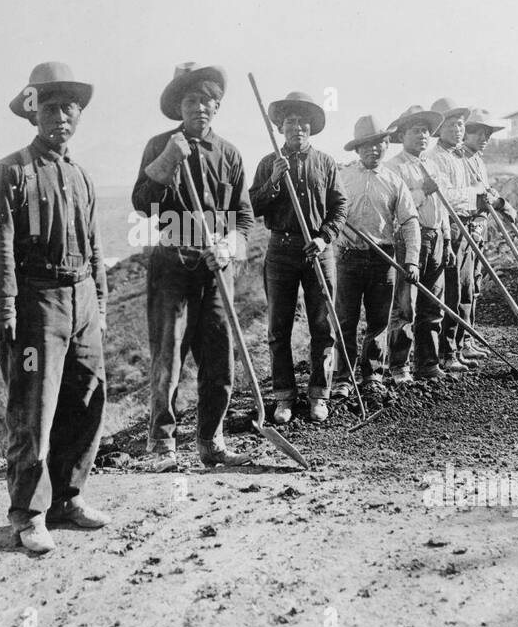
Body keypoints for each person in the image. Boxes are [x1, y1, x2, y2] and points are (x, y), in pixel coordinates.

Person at [0, 61, 110, 555]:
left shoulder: (81, 176)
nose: (60, 117)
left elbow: (95, 246)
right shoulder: (12, 171)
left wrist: (98, 300)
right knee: (34, 411)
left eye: (69, 109)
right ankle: (30, 514)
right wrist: (5, 309)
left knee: (86, 403)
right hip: (37, 305)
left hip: (81, 305)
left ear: (78, 117)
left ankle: (67, 499)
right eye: (51, 108)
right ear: (34, 116)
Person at [132, 63, 255, 471]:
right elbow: (143, 204)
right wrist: (169, 160)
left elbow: (244, 215)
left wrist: (229, 246)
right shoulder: (159, 145)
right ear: (179, 107)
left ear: (217, 106)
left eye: (207, 100)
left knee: (220, 358)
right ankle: (162, 445)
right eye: (191, 100)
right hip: (173, 264)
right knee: (168, 357)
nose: (199, 107)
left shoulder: (230, 153)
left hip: (217, 267)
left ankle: (211, 442)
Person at [249, 90, 348, 423]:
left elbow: (339, 207)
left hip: (318, 251)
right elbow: (254, 207)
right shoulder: (268, 163)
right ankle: (283, 397)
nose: (297, 128)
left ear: (311, 128)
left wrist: (324, 238)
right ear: (281, 127)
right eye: (291, 122)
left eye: (303, 123)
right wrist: (274, 181)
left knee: (324, 325)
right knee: (279, 328)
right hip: (281, 251)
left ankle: (320, 394)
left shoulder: (326, 163)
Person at [334, 115, 421, 394]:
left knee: (379, 321)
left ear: (386, 145)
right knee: (345, 321)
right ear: (357, 149)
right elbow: (329, 215)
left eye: (380, 144)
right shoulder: (342, 178)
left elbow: (409, 221)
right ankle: (343, 378)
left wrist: (412, 260)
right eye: (367, 145)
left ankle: (372, 375)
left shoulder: (395, 181)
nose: (374, 149)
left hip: (383, 259)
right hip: (348, 257)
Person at [383, 104, 447, 382]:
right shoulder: (393, 167)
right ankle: (399, 366)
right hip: (409, 239)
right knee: (405, 305)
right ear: (403, 135)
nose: (422, 136)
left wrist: (445, 234)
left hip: (436, 237)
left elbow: (441, 207)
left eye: (425, 131)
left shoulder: (432, 163)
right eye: (415, 130)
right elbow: (397, 208)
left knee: (433, 304)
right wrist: (422, 191)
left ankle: (428, 364)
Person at [421, 97, 480, 375]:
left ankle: (458, 345)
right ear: (439, 128)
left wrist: (480, 195)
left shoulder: (458, 156)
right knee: (452, 290)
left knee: (466, 287)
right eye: (452, 124)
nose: (458, 130)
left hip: (466, 225)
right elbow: (447, 197)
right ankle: (446, 352)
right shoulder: (434, 157)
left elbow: (469, 191)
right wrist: (475, 195)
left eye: (461, 124)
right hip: (450, 227)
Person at [457, 109, 518, 363]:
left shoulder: (478, 160)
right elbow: (464, 195)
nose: (484, 138)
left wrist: (502, 203)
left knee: (475, 284)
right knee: (463, 285)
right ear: (466, 133)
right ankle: (459, 342)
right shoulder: (458, 158)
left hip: (480, 228)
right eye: (478, 133)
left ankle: (468, 339)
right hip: (465, 227)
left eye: (488, 134)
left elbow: (487, 190)